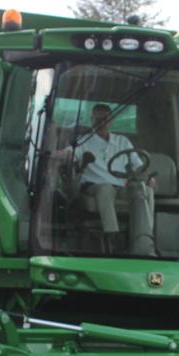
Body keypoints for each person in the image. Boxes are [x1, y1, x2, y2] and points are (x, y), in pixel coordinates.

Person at [67, 104, 156, 255]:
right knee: (105, 188)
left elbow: (138, 166)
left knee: (145, 190)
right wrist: (59, 154)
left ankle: (145, 239)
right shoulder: (84, 141)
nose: (102, 121)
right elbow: (69, 153)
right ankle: (112, 238)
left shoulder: (123, 141)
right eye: (98, 118)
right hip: (95, 185)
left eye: (105, 118)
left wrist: (147, 178)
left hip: (121, 186)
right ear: (92, 119)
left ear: (111, 120)